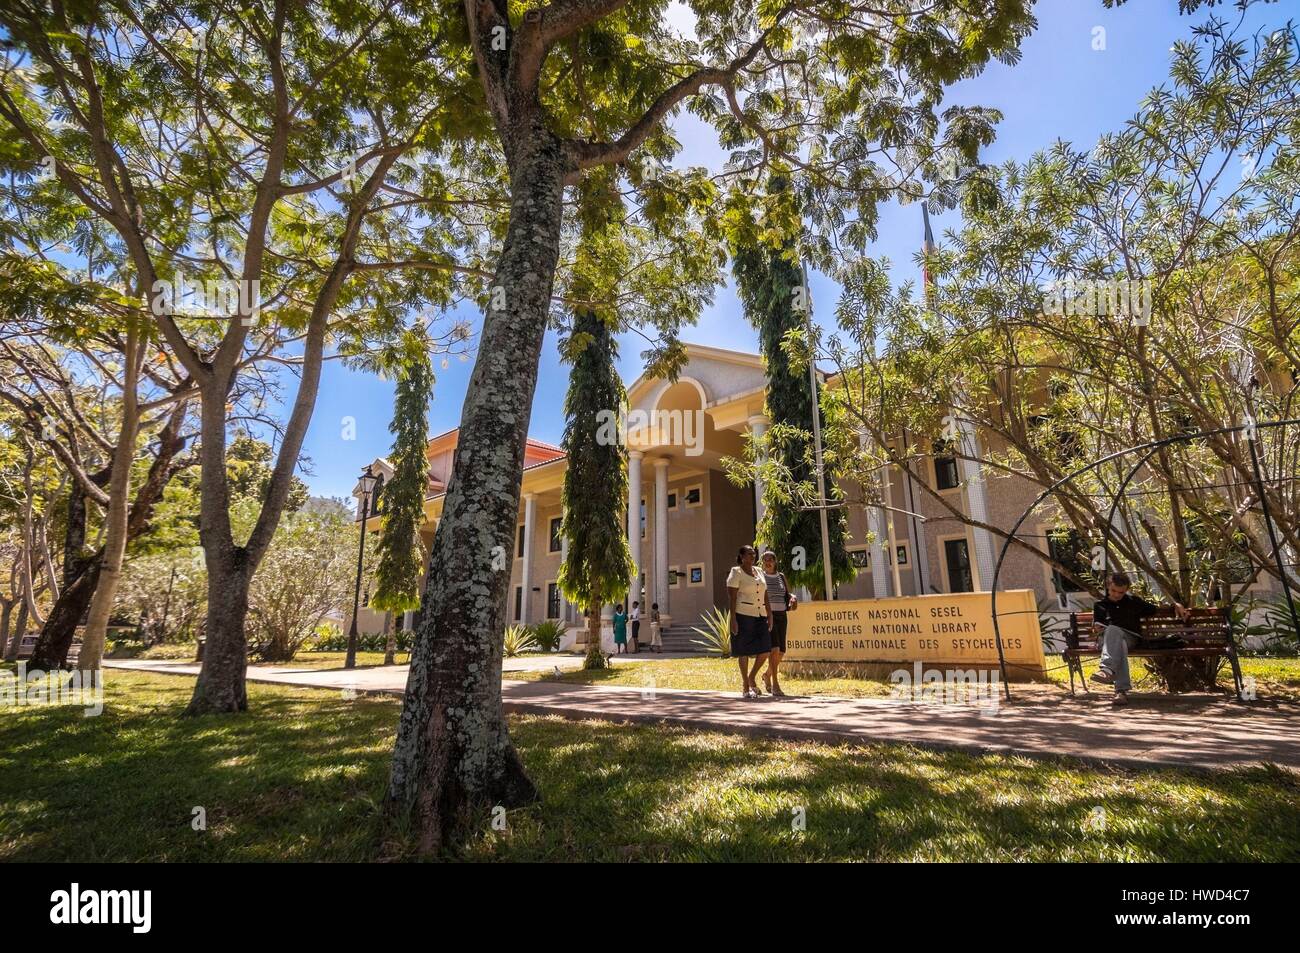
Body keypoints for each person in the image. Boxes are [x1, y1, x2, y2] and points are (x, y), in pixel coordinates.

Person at [1091, 571, 1190, 704]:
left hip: (1131, 638)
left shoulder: (1134, 602)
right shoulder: (1100, 605)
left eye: (1120, 592)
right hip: (1107, 641)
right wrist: (1097, 628)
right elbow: (1097, 625)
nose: (1116, 595)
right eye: (1113, 591)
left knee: (1118, 638)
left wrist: (1175, 605)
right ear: (1108, 587)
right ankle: (1120, 691)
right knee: (1116, 637)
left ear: (1126, 590)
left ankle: (1108, 671)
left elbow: (1158, 609)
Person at [727, 544, 772, 699]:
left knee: (766, 649)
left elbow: (765, 594)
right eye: (749, 554)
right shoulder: (736, 572)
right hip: (742, 615)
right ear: (741, 557)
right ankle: (745, 685)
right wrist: (733, 619)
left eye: (754, 554)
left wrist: (770, 614)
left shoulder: (759, 571)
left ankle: (751, 676)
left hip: (761, 614)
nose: (753, 556)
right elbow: (732, 598)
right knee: (743, 651)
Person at [757, 550, 797, 697]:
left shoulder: (781, 576)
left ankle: (767, 674)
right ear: (762, 562)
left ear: (775, 562)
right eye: (765, 560)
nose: (768, 562)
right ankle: (775, 685)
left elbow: (787, 593)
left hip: (782, 615)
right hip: (769, 615)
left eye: (771, 560)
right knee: (774, 650)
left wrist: (792, 598)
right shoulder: (760, 576)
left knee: (781, 652)